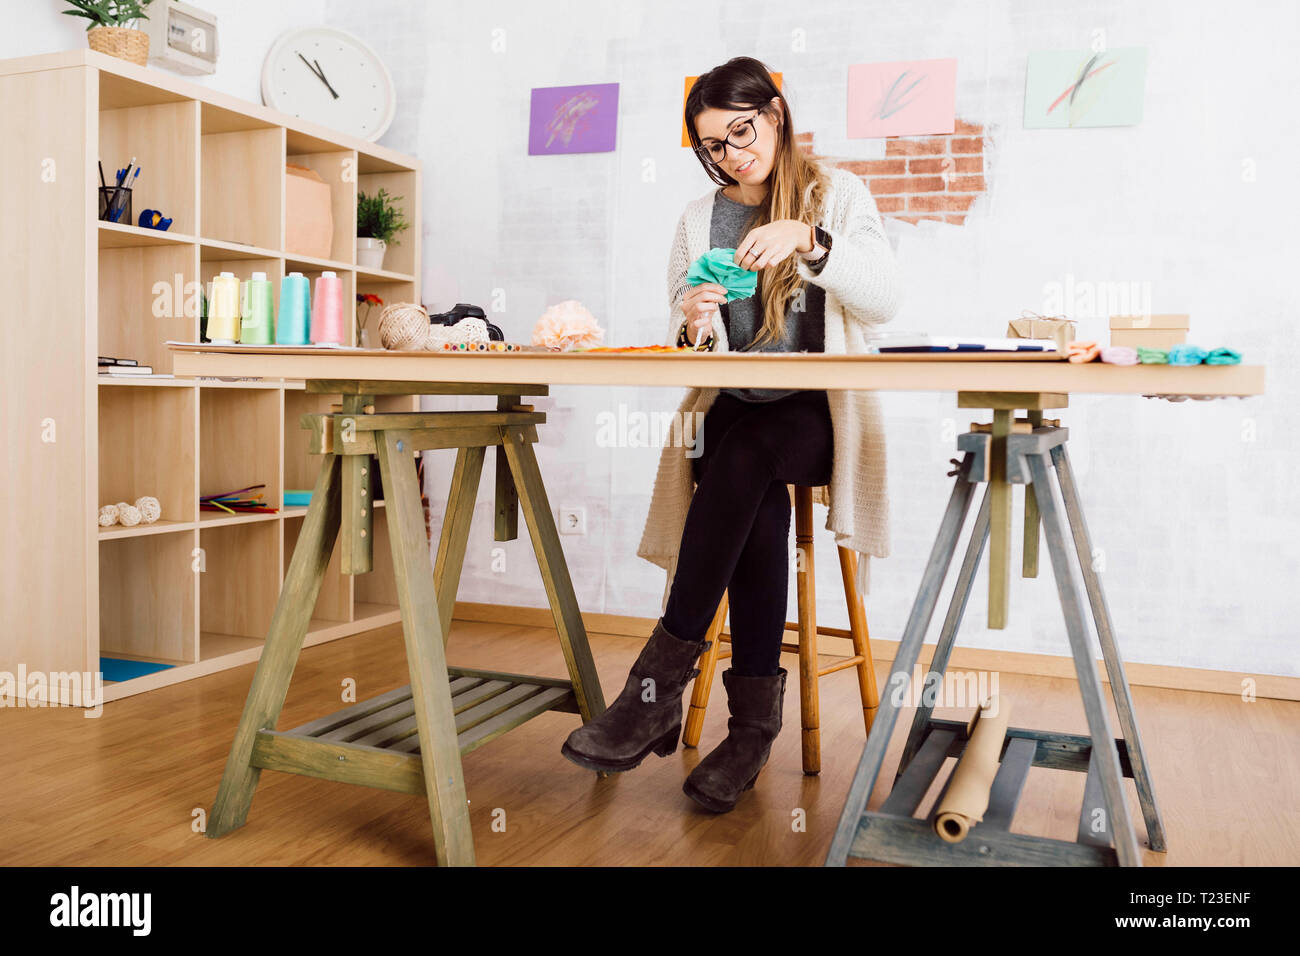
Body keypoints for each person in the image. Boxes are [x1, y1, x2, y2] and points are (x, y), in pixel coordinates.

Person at [562, 56, 902, 813]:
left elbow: (885, 300)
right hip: (737, 408)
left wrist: (811, 241)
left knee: (746, 458)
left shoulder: (836, 196)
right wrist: (694, 320)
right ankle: (749, 733)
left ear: (776, 115)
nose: (730, 154)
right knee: (747, 483)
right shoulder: (698, 219)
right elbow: (689, 345)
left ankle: (652, 692)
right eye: (712, 145)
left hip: (819, 413)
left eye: (740, 132)